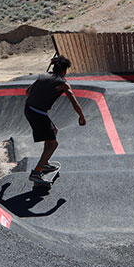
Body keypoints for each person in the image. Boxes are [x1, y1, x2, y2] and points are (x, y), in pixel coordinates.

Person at [23, 55, 86, 183]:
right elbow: (74, 102)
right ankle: (36, 172)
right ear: (64, 70)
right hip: (38, 114)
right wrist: (81, 116)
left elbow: (27, 91)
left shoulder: (42, 76)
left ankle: (44, 163)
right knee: (53, 143)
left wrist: (41, 95)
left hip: (29, 109)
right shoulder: (62, 83)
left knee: (54, 130)